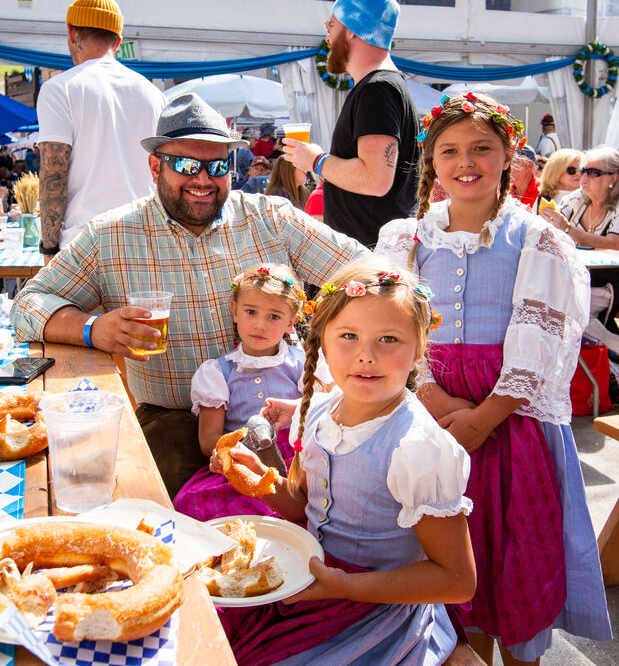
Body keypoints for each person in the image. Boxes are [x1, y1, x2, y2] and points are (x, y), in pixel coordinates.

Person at [10, 93, 368, 498]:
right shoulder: (110, 235)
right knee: (173, 517)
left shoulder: (270, 218)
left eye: (217, 166)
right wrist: (94, 329)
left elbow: (366, 272)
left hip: (283, 415)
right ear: (154, 166)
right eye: (185, 164)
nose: (202, 179)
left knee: (333, 506)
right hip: (174, 418)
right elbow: (28, 302)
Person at [375, 94, 611, 665]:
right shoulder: (408, 238)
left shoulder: (538, 239)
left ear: (509, 156)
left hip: (511, 424)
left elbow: (544, 341)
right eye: (450, 150)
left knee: (515, 559)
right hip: (431, 421)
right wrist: (431, 394)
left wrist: (483, 418)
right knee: (455, 565)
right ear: (432, 161)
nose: (466, 162)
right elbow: (395, 329)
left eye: (482, 148)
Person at [212, 258, 476, 666]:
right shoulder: (319, 411)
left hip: (373, 610)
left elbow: (457, 581)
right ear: (321, 340)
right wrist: (259, 478)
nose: (365, 355)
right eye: (349, 336)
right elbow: (305, 506)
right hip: (310, 579)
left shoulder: (418, 448)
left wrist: (346, 585)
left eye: (388, 339)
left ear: (419, 347)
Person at [174, 262, 331, 521]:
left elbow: (322, 415)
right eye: (251, 311)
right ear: (235, 311)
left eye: (274, 316)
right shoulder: (218, 372)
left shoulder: (304, 362)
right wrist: (246, 448)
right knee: (192, 505)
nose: (260, 325)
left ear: (292, 321)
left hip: (299, 462)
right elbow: (208, 440)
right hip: (244, 459)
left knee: (309, 505)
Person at [283, 0, 419, 248]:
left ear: (354, 29)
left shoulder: (377, 89)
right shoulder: (382, 86)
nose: (328, 38)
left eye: (331, 26)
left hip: (369, 263)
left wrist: (315, 160)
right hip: (373, 259)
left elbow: (375, 180)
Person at [36, 0, 166, 262]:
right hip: (144, 240)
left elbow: (53, 176)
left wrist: (48, 247)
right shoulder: (153, 94)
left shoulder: (59, 89)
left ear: (72, 33)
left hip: (83, 245)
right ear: (118, 41)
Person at [542, 146, 619, 332]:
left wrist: (569, 229)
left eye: (593, 172)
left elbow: (614, 243)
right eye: (582, 170)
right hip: (573, 278)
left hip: (607, 283)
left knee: (561, 313)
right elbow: (549, 227)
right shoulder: (575, 199)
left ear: (613, 178)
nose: (584, 177)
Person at [531, 148, 582, 214]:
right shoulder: (542, 200)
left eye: (581, 170)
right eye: (572, 170)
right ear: (556, 172)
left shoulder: (589, 199)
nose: (578, 174)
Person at [509, 143, 539, 208]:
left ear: (529, 165)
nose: (506, 166)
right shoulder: (506, 192)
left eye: (513, 162)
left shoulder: (542, 192)